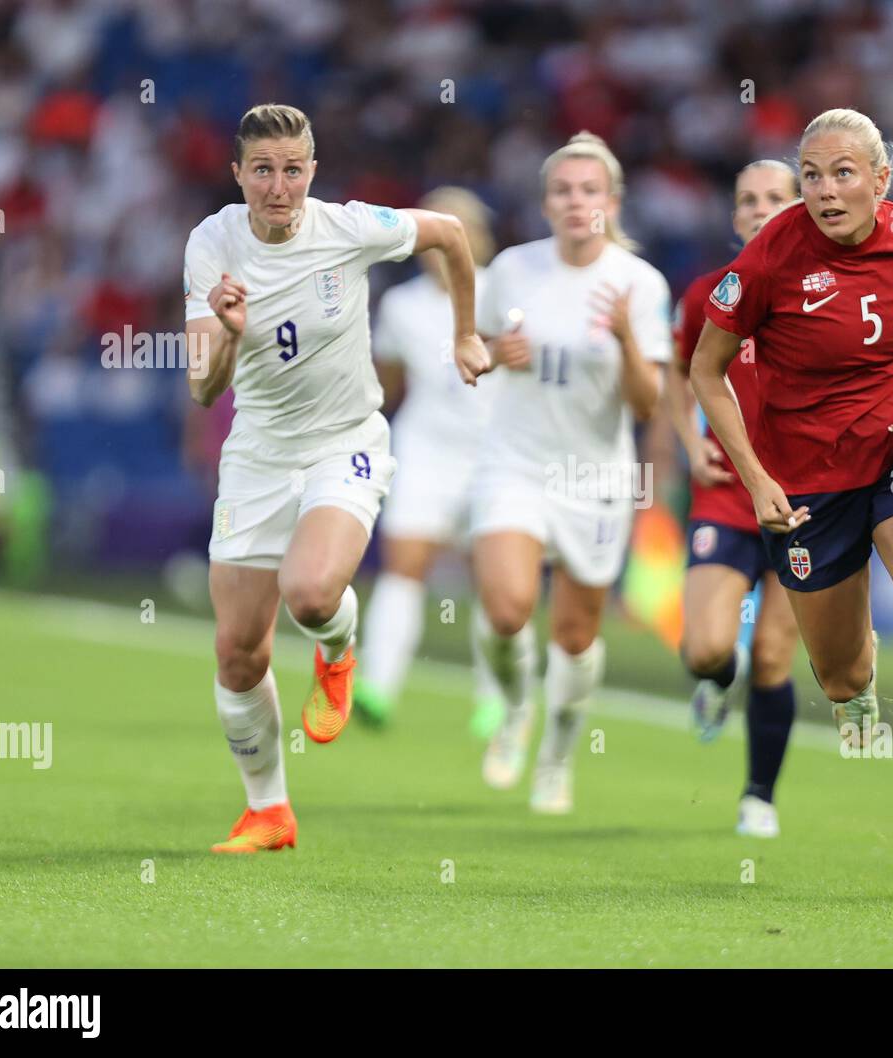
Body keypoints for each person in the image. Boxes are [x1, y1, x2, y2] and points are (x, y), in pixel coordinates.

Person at [690, 108, 893, 898]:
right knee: (838, 674)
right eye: (812, 175)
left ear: (880, 178)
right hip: (807, 488)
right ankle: (858, 688)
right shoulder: (771, 255)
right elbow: (706, 370)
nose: (826, 191)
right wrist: (757, 477)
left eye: (843, 173)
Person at [184, 104, 490, 853]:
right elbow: (201, 387)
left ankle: (337, 647)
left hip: (343, 443)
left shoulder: (350, 227)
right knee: (237, 650)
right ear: (239, 175)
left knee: (313, 591)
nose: (278, 187)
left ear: (311, 172)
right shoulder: (212, 243)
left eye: (292, 169)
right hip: (258, 455)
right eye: (263, 170)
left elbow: (450, 234)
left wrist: (464, 332)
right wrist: (224, 330)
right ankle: (269, 811)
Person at [471, 131, 672, 814]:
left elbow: (648, 404)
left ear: (611, 202)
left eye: (590, 189)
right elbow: (470, 355)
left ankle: (557, 750)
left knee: (576, 636)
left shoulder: (639, 285)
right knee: (506, 609)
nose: (576, 200)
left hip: (594, 476)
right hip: (516, 460)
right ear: (546, 201)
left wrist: (623, 339)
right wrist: (497, 351)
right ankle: (514, 706)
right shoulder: (511, 269)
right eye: (563, 189)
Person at [670, 158, 860, 841]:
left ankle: (759, 796)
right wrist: (688, 445)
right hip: (726, 495)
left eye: (774, 197)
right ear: (734, 215)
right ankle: (721, 677)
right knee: (703, 649)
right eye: (746, 199)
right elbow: (678, 373)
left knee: (779, 657)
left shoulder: (832, 290)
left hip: (806, 499)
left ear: (801, 205)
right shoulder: (705, 296)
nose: (759, 209)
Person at [353, 187, 504, 737]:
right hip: (426, 448)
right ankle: (378, 687)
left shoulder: (503, 294)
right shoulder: (401, 306)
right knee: (405, 564)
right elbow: (387, 385)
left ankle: (495, 699)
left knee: (496, 580)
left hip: (497, 452)